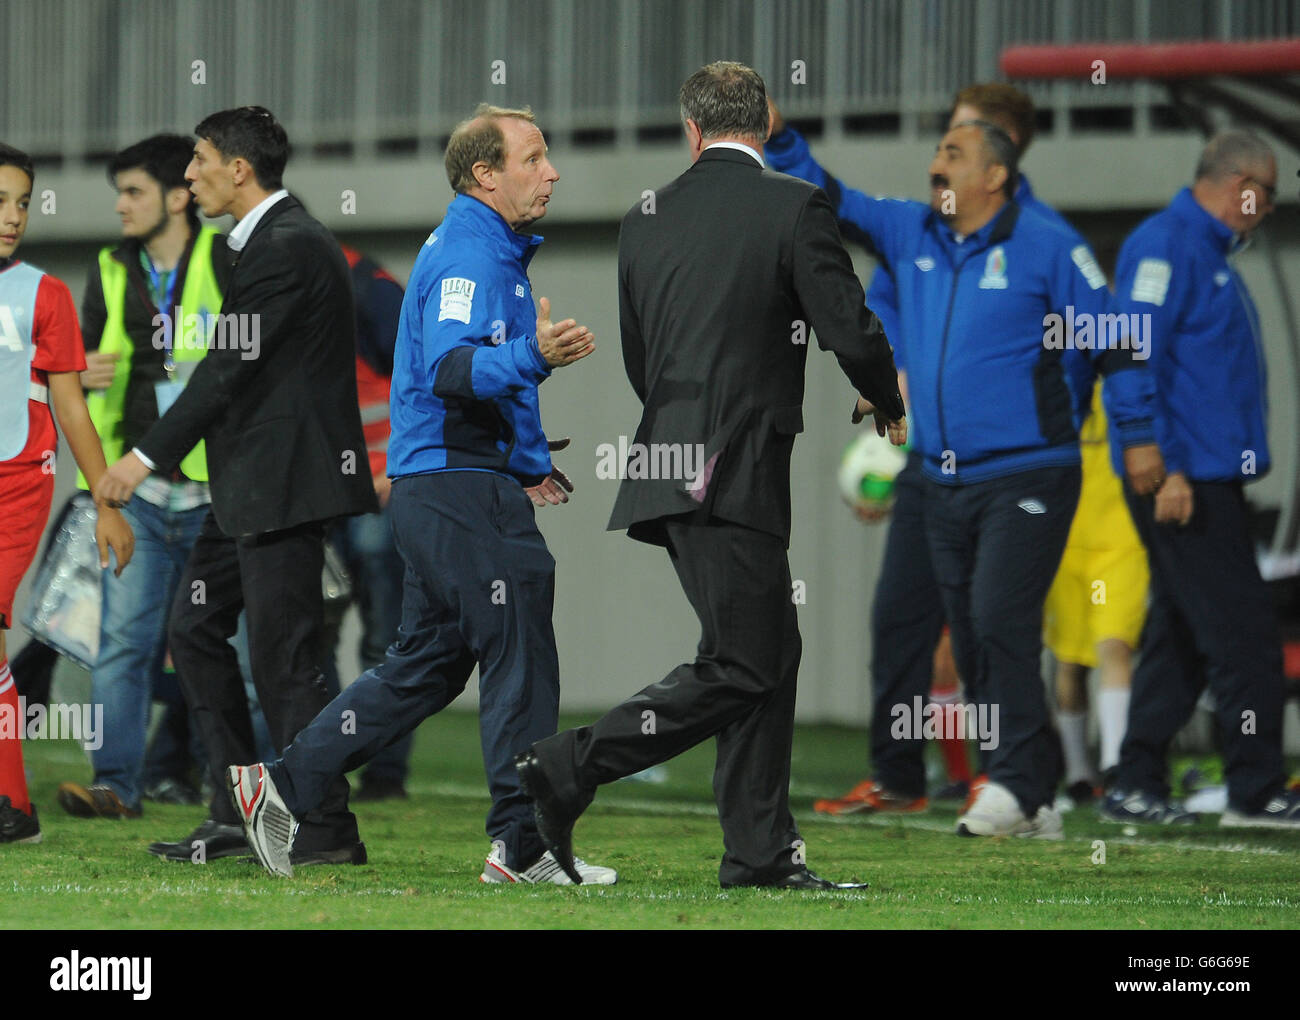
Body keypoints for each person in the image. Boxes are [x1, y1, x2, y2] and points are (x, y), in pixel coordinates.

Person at [515, 61, 907, 890]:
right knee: (746, 664)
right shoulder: (796, 205)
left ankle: (759, 856)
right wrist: (883, 394)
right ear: (764, 123)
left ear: (691, 129)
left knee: (762, 650)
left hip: (670, 456)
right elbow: (847, 323)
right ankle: (571, 764)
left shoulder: (645, 217)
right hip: (738, 466)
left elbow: (641, 356)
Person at [225, 104, 614, 885]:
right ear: (485, 174)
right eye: (534, 157)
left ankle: (287, 783)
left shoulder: (481, 247)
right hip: (458, 494)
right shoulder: (473, 253)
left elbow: (469, 382)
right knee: (518, 648)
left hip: (445, 486)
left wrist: (527, 457)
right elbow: (451, 368)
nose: (552, 171)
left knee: (427, 666)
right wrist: (535, 358)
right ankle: (523, 844)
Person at [771, 110, 1166, 838]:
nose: (936, 163)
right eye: (936, 150)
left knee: (997, 620)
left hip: (1029, 473)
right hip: (941, 476)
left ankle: (1012, 781)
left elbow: (1118, 342)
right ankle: (1033, 792)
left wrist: (1138, 437)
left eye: (953, 152)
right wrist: (782, 139)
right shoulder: (912, 232)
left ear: (995, 177)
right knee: (972, 630)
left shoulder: (1049, 247)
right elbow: (829, 196)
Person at [94, 107, 376, 866]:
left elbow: (225, 371)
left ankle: (326, 833)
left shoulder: (285, 247)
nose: (189, 176)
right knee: (194, 632)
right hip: (251, 487)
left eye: (199, 160)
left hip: (282, 489)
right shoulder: (269, 243)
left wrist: (142, 459)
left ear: (238, 170)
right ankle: (238, 810)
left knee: (285, 663)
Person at [1103, 130, 1300, 828]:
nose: (1270, 207)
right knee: (1243, 633)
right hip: (1185, 478)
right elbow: (1129, 349)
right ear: (1236, 181)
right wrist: (1160, 457)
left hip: (1207, 477)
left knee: (1183, 634)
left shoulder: (1204, 252)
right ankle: (1256, 788)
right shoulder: (1167, 245)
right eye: (1268, 193)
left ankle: (1137, 781)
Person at [56, 134, 231, 821]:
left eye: (134, 192)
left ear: (178, 197)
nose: (121, 206)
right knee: (122, 644)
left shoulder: (228, 257)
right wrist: (75, 371)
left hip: (218, 494)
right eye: (119, 193)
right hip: (136, 492)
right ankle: (116, 786)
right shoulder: (108, 267)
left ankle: (246, 789)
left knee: (231, 654)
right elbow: (77, 378)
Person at [0, 143, 134, 844]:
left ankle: (12, 811)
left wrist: (105, 503)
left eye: (23, 201)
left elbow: (73, 407)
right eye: (2, 200)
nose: (14, 216)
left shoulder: (44, 294)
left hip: (17, 486)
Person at [319, 243, 412, 801]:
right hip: (332, 492)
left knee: (383, 638)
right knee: (321, 635)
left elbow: (419, 378)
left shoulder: (366, 290)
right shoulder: (350, 282)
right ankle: (334, 762)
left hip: (376, 486)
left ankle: (383, 774)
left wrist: (398, 468)